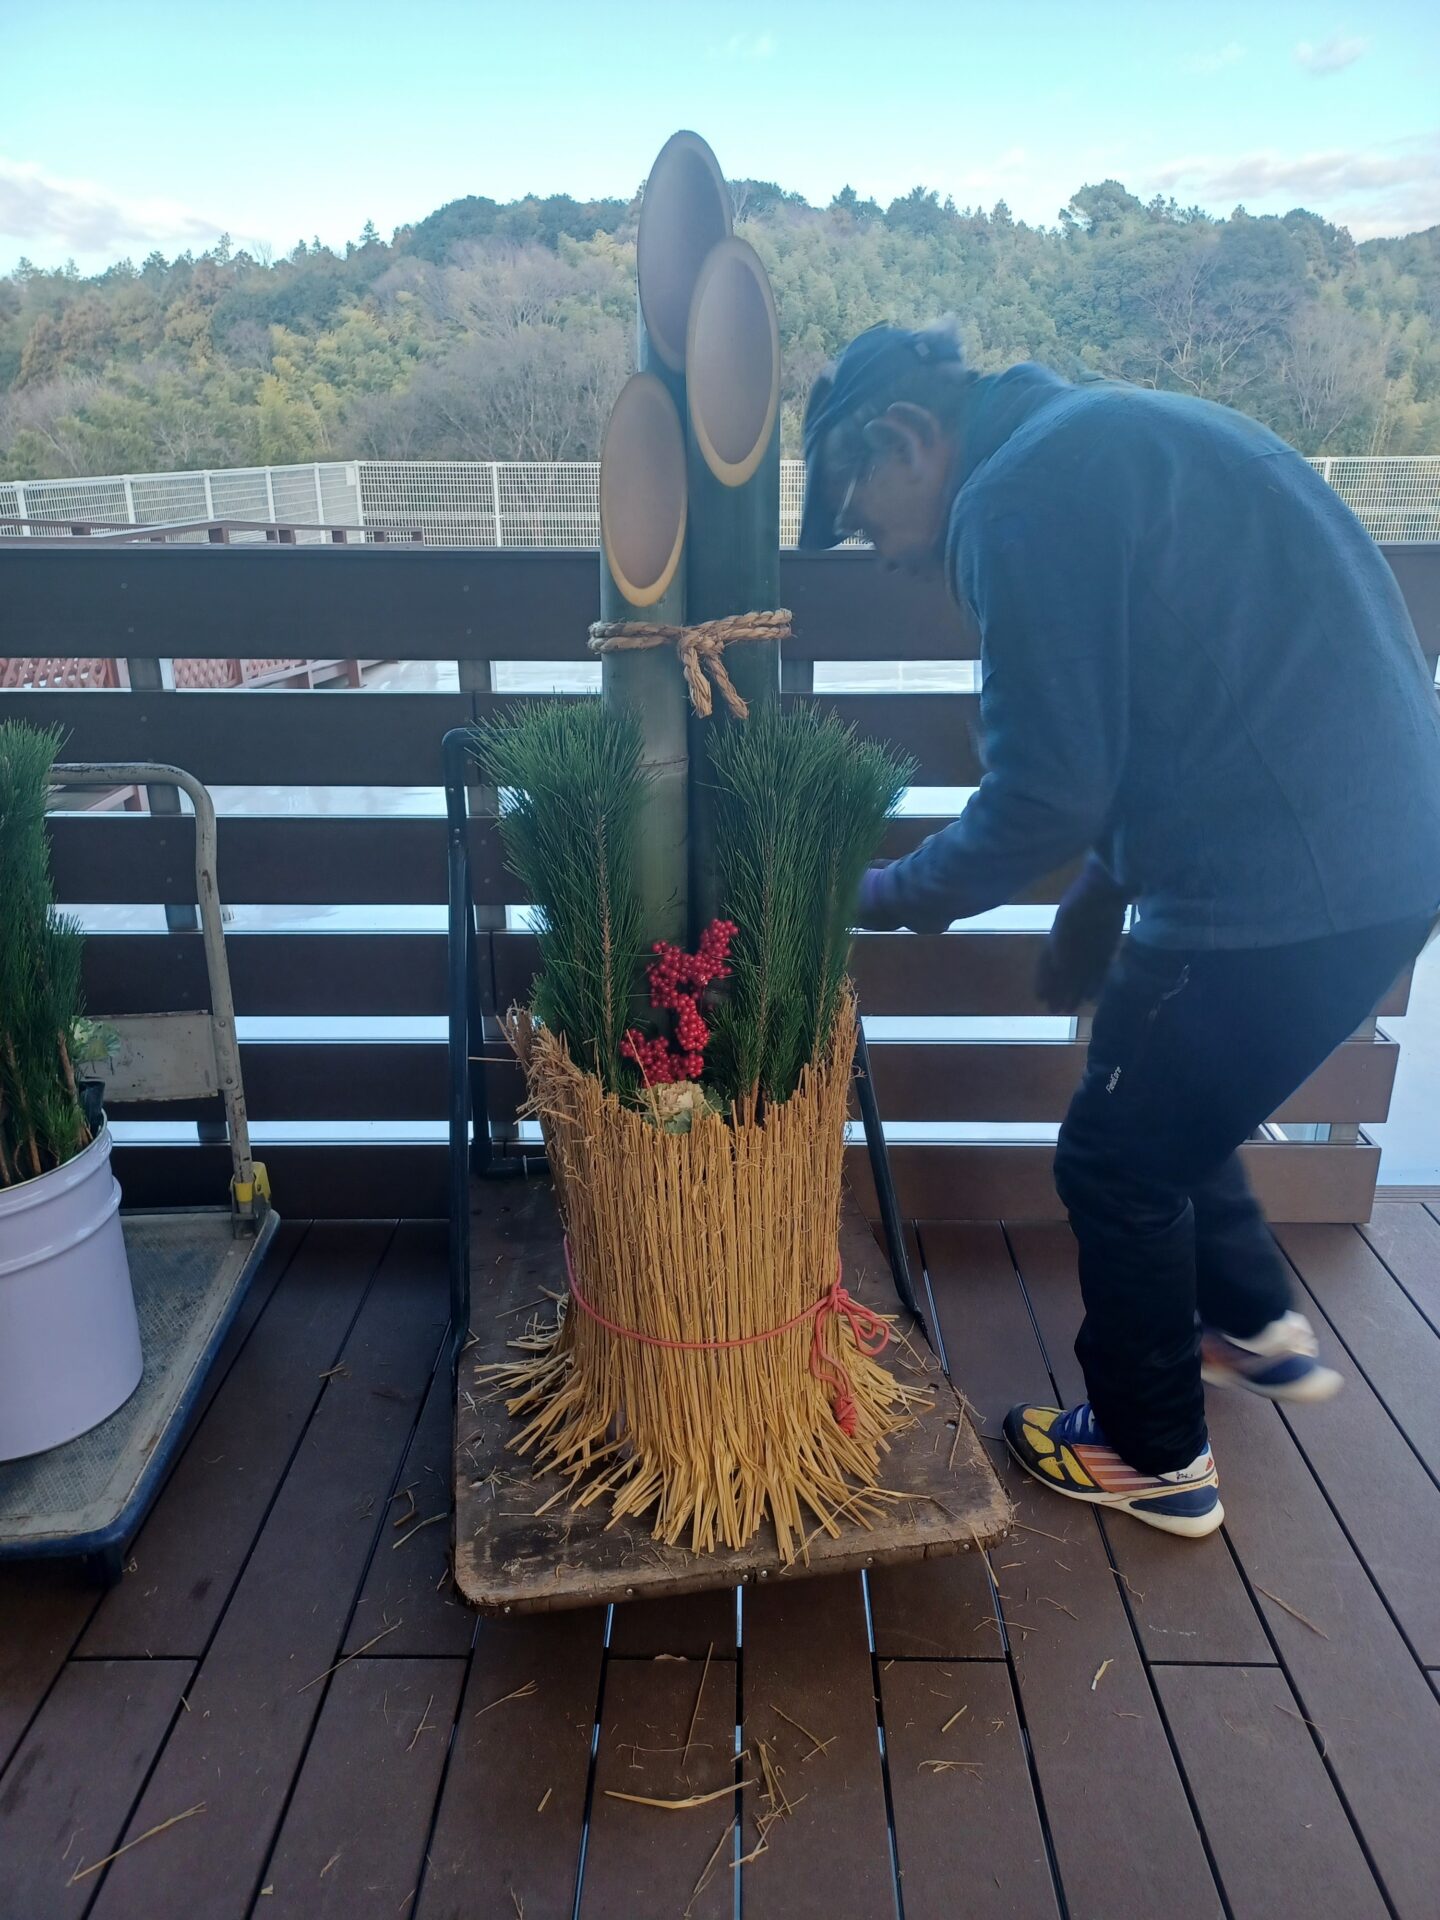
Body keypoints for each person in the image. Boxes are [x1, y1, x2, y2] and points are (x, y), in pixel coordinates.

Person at [801, 321, 1440, 1539]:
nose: (881, 556)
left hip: (1287, 885)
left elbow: (1044, 794)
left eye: (862, 512)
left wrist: (871, 898)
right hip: (1382, 857)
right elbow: (1170, 709)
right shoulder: (1107, 437)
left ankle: (1154, 1455)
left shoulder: (1017, 500)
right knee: (1160, 1080)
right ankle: (1248, 1326)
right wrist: (1099, 902)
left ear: (905, 439)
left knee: (1116, 1154)